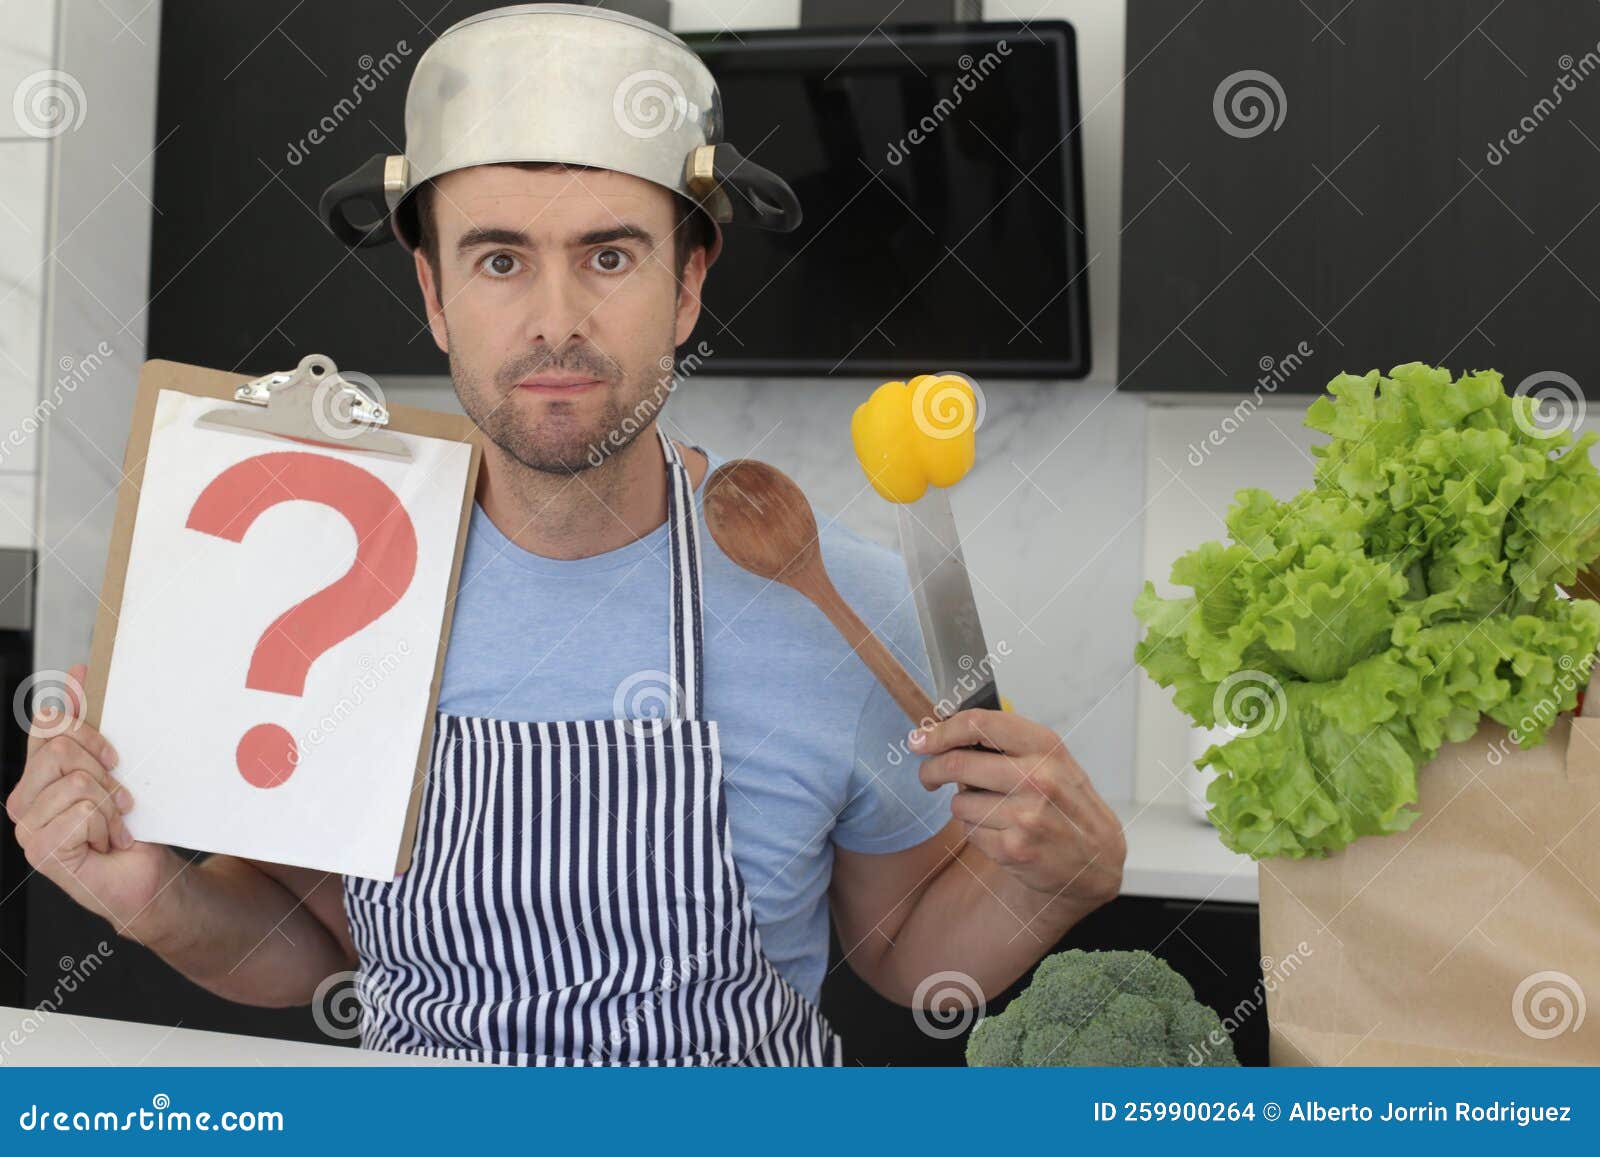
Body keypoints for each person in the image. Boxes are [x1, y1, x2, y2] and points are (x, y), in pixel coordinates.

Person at [6, 4, 1125, 1065]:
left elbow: (904, 953)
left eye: (610, 256)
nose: (556, 321)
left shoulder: (839, 600)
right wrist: (155, 899)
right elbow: (318, 945)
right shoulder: (328, 577)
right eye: (499, 260)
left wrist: (1058, 878)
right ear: (434, 293)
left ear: (687, 284)